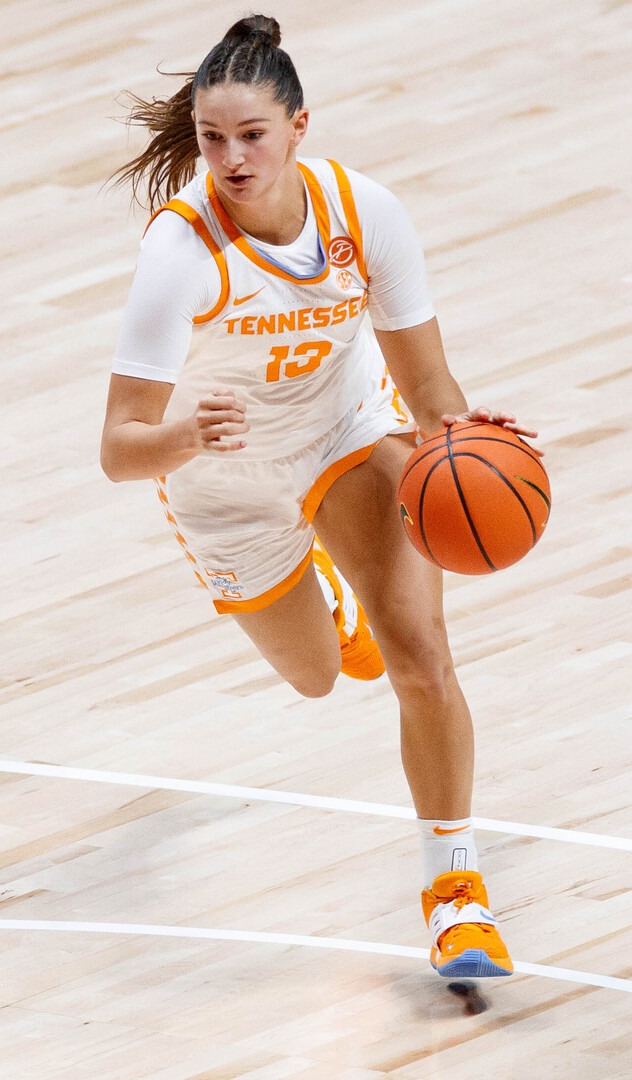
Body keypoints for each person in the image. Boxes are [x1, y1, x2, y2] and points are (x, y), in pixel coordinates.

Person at [101, 14, 539, 978]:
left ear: (299, 126)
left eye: (252, 135)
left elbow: (427, 383)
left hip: (345, 430)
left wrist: (460, 437)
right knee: (316, 676)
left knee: (420, 654)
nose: (231, 158)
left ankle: (458, 901)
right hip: (224, 478)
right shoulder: (180, 251)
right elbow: (119, 450)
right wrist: (184, 436)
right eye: (213, 138)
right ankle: (336, 598)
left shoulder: (363, 212)